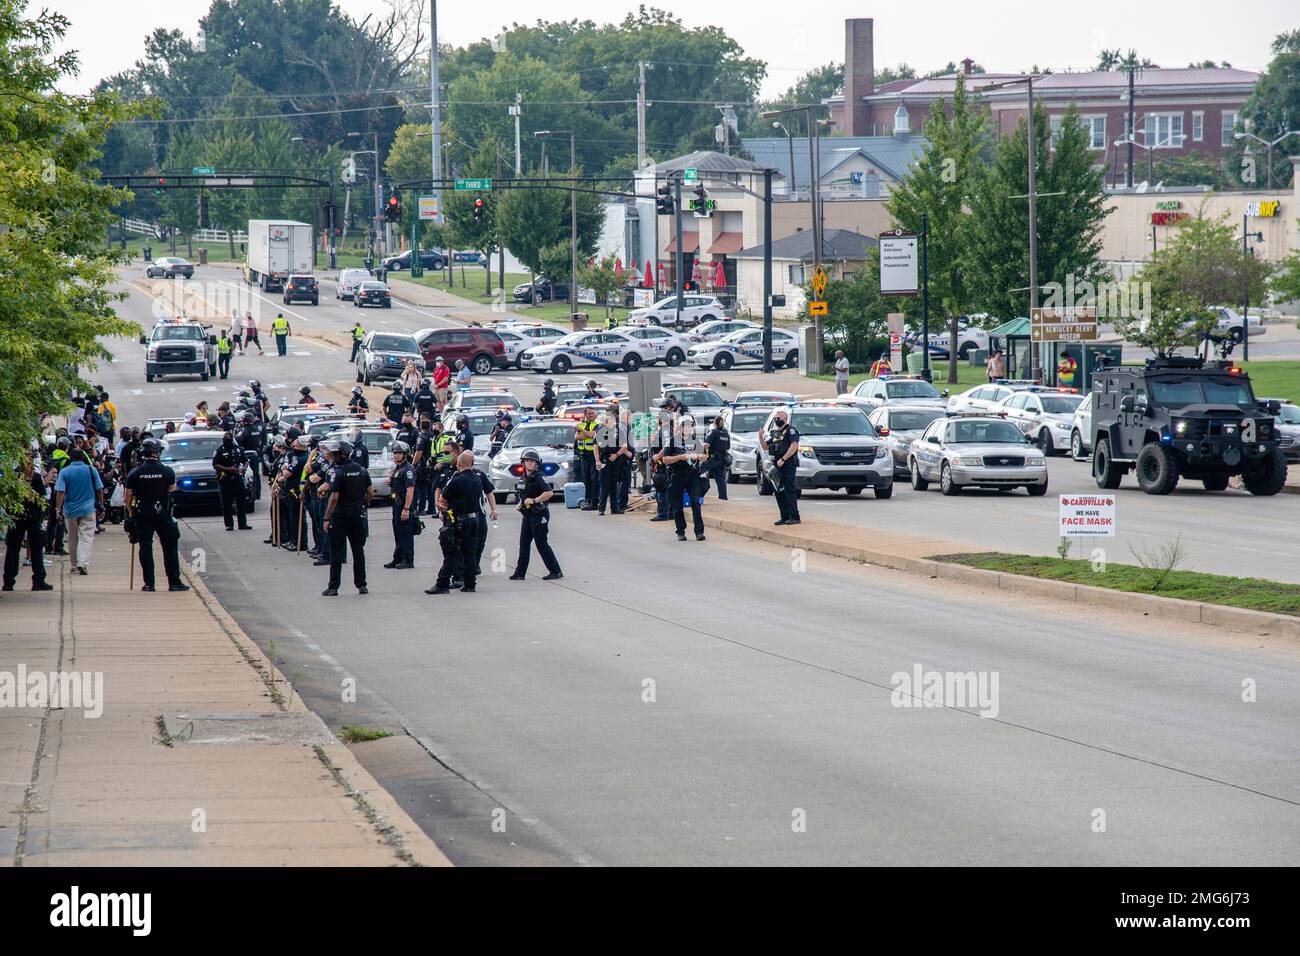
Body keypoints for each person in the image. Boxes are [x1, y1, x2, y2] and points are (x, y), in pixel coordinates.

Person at [124, 438, 189, 592]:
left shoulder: (136, 472)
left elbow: (128, 497)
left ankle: (149, 584)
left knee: (145, 547)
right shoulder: (167, 471)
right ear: (157, 453)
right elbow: (172, 490)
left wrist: (132, 513)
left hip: (143, 511)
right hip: (162, 512)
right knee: (170, 547)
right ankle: (174, 582)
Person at [426, 450, 483, 594]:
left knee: (451, 553)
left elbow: (443, 499)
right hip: (474, 520)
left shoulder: (456, 480)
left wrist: (442, 508)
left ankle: (442, 584)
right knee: (470, 554)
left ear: (458, 463)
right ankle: (470, 584)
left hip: (459, 521)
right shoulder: (477, 479)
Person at [321, 441, 372, 596]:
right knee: (358, 550)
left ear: (342, 454)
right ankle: (362, 585)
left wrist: (327, 517)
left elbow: (334, 497)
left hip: (340, 514)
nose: (333, 457)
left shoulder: (338, 472)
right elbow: (370, 492)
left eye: (335, 454)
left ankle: (333, 587)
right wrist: (362, 503)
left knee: (336, 551)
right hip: (357, 513)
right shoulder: (362, 470)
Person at [508, 449, 562, 581]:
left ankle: (556, 571)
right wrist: (520, 503)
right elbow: (524, 494)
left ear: (537, 463)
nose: (529, 463)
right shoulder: (524, 477)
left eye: (532, 461)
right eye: (527, 461)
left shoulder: (539, 477)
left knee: (541, 543)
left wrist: (533, 500)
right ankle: (520, 573)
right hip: (527, 515)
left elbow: (549, 493)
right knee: (524, 543)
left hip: (539, 514)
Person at [3, 453, 52, 592]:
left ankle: (8, 582)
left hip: (17, 517)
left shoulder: (13, 477)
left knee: (13, 549)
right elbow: (41, 497)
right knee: (36, 550)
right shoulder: (35, 477)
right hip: (33, 517)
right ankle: (38, 580)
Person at [54, 448, 103, 575]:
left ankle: (74, 564)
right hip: (88, 508)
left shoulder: (64, 472)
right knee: (86, 536)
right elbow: (99, 489)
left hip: (70, 510)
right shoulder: (91, 470)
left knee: (72, 537)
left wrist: (58, 508)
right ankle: (82, 563)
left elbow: (60, 492)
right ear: (83, 458)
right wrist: (101, 505)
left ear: (70, 458)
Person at [658, 416, 706, 542]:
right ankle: (680, 531)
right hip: (677, 475)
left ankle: (699, 532)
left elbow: (705, 456)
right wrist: (680, 457)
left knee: (696, 502)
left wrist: (697, 456)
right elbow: (665, 459)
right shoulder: (673, 441)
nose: (687, 428)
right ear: (680, 427)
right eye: (685, 426)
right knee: (677, 505)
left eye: (690, 426)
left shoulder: (696, 440)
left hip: (693, 475)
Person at [759, 408, 801, 526]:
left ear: (785, 419)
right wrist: (761, 436)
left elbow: (794, 446)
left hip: (787, 464)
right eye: (775, 419)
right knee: (778, 490)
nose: (776, 420)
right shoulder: (777, 433)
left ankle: (794, 516)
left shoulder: (791, 431)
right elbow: (766, 447)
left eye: (778, 418)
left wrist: (784, 459)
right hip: (777, 464)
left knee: (789, 490)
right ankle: (784, 516)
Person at [385, 440, 417, 570]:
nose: (397, 455)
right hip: (396, 504)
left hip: (403, 505)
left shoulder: (408, 470)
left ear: (406, 454)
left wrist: (406, 508)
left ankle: (408, 560)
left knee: (405, 533)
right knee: (398, 533)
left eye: (400, 453)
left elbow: (410, 490)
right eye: (395, 453)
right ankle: (398, 557)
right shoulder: (398, 469)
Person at [594, 406, 631, 515]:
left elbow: (624, 446)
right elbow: (595, 447)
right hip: (604, 459)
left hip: (616, 460)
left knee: (614, 485)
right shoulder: (600, 430)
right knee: (604, 485)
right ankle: (601, 509)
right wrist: (597, 460)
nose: (607, 420)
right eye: (606, 419)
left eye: (610, 419)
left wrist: (617, 454)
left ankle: (615, 508)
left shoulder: (619, 431)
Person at [212, 431, 252, 531]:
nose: (227, 442)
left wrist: (244, 468)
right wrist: (229, 469)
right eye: (225, 440)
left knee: (241, 502)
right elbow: (215, 465)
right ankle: (229, 524)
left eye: (229, 440)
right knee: (226, 503)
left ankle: (243, 523)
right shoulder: (219, 450)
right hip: (225, 479)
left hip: (238, 478)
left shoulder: (238, 449)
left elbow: (245, 460)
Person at [574, 406, 600, 510]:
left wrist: (581, 431)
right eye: (589, 413)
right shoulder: (581, 424)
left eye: (592, 413)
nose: (591, 415)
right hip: (584, 454)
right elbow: (577, 437)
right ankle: (588, 500)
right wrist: (585, 433)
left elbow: (592, 435)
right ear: (585, 415)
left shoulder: (598, 424)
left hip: (594, 454)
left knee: (595, 479)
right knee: (586, 478)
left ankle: (594, 502)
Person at [699, 414, 731, 501]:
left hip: (712, 459)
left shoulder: (713, 432)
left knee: (696, 472)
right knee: (720, 479)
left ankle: (694, 492)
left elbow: (706, 445)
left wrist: (698, 449)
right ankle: (723, 497)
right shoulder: (726, 434)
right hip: (721, 459)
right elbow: (727, 447)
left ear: (715, 423)